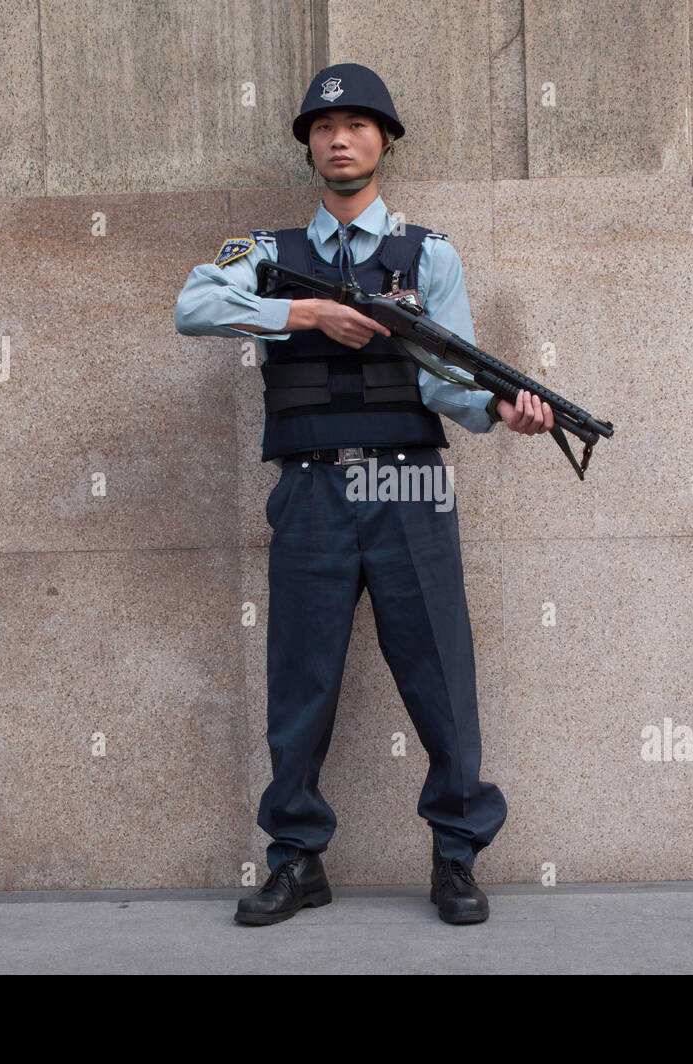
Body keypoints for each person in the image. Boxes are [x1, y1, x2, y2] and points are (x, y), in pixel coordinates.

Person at [175, 62, 554, 926]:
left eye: (357, 123)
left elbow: (450, 381)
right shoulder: (268, 254)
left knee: (440, 677)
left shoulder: (429, 256)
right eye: (323, 125)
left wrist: (503, 410)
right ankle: (297, 859)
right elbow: (192, 307)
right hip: (312, 490)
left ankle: (456, 855)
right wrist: (302, 317)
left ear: (384, 141)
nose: (338, 137)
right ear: (309, 145)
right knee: (299, 680)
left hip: (410, 486)